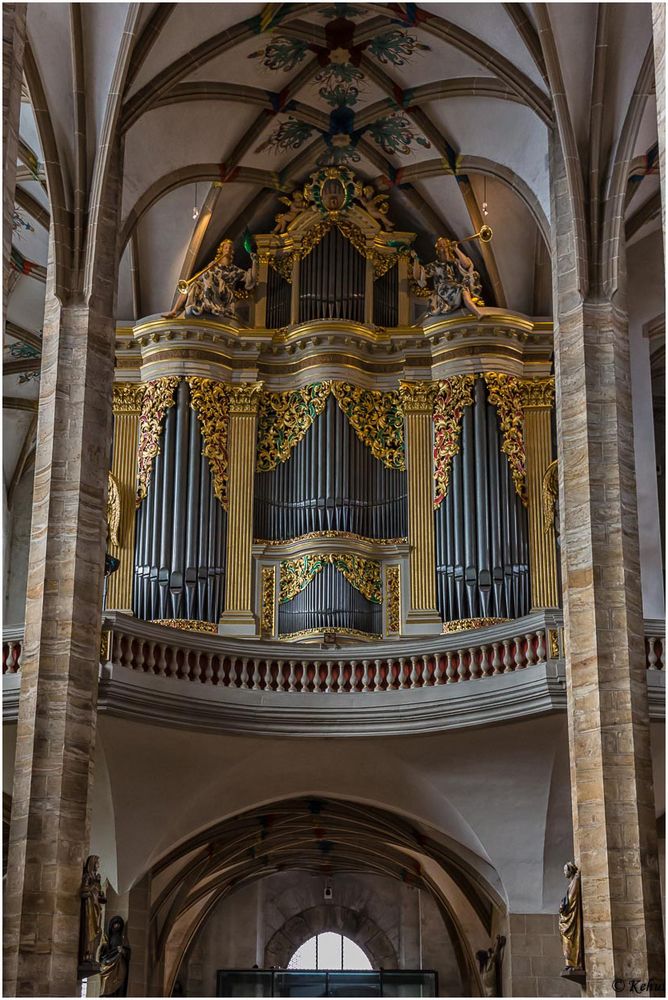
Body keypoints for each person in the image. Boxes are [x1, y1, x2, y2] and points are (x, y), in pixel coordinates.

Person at [164, 239, 257, 320]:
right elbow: (200, 280)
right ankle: (176, 310)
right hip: (210, 290)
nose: (227, 249)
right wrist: (175, 310)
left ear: (232, 251)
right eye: (225, 247)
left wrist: (254, 261)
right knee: (193, 285)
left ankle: (211, 306)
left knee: (208, 275)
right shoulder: (213, 265)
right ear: (221, 250)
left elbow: (251, 279)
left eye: (230, 248)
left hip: (225, 296)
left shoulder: (234, 270)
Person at [412, 237, 484, 318]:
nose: (443, 247)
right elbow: (417, 276)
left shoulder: (454, 262)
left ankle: (476, 310)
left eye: (445, 245)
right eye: (441, 245)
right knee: (462, 289)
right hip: (444, 289)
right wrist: (415, 259)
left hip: (456, 286)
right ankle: (477, 312)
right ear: (438, 249)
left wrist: (456, 249)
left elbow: (467, 265)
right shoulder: (435, 265)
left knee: (472, 276)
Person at [79, 855, 106, 975]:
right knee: (89, 931)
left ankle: (92, 955)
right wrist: (92, 887)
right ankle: (86, 955)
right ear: (93, 863)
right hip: (89, 908)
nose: (98, 865)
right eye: (97, 863)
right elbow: (84, 891)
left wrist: (100, 893)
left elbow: (100, 895)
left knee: (96, 932)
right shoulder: (88, 876)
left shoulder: (96, 877)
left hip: (96, 909)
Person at [559, 862, 585, 973]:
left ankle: (574, 963)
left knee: (570, 940)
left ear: (570, 871)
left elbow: (571, 898)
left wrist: (562, 906)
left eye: (565, 870)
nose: (564, 872)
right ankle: (570, 963)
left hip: (571, 917)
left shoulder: (576, 880)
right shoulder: (572, 882)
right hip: (568, 917)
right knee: (567, 941)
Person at [99, 916, 131, 997]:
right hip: (108, 964)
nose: (117, 926)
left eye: (119, 924)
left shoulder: (123, 938)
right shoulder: (107, 939)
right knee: (106, 985)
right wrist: (105, 960)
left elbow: (127, 952)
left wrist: (123, 950)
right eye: (115, 924)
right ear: (111, 925)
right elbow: (102, 954)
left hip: (120, 964)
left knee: (120, 985)